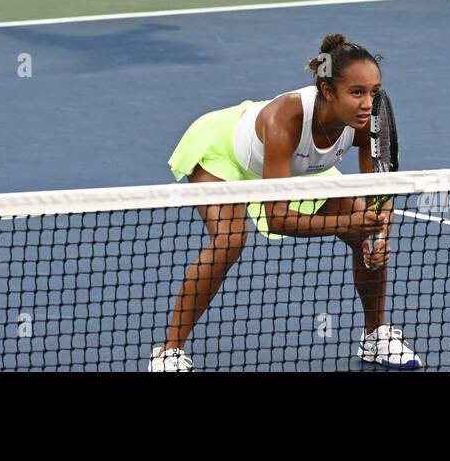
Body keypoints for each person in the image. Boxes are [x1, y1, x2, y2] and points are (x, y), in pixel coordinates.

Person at [151, 34, 422, 371]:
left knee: (364, 234)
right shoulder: (286, 119)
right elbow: (278, 218)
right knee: (229, 241)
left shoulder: (367, 122)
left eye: (373, 91)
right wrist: (349, 224)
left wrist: (377, 235)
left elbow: (377, 193)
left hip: (296, 168)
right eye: (356, 93)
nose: (368, 102)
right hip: (225, 156)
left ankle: (375, 337)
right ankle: (169, 350)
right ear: (328, 92)